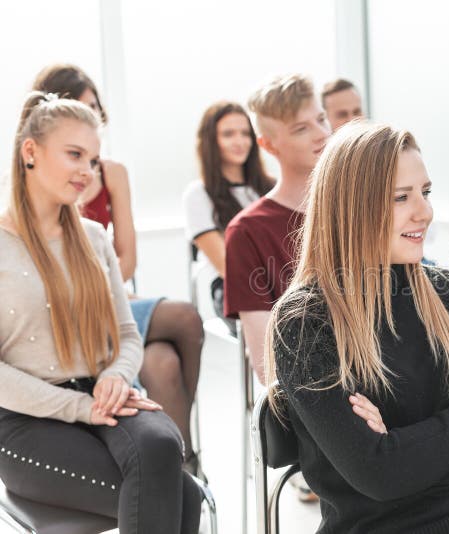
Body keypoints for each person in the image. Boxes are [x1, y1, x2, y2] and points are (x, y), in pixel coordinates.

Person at [265, 122, 449, 533]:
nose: (424, 212)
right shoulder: (304, 322)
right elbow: (379, 476)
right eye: (401, 197)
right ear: (351, 208)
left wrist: (402, 449)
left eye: (426, 192)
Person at [0, 92, 201, 533]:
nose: (87, 172)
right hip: (26, 421)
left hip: (103, 395)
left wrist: (115, 375)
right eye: (74, 154)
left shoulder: (93, 238)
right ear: (30, 151)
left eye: (93, 160)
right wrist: (81, 407)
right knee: (183, 496)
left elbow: (127, 334)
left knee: (164, 447)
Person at [32, 63, 206, 477]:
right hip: (69, 307)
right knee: (182, 318)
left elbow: (127, 260)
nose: (89, 115)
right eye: (78, 105)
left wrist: (106, 284)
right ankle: (186, 465)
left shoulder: (112, 173)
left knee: (163, 361)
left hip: (114, 295)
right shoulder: (39, 182)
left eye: (94, 106)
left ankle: (179, 462)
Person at [224, 74, 330, 384]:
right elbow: (266, 365)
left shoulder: (360, 207)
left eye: (321, 119)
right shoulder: (246, 232)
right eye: (301, 129)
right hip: (313, 388)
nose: (322, 134)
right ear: (268, 145)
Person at [184, 100, 274, 319]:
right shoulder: (198, 194)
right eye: (228, 134)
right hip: (234, 290)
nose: (240, 141)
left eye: (245, 133)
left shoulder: (272, 187)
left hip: (282, 283)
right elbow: (227, 267)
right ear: (210, 141)